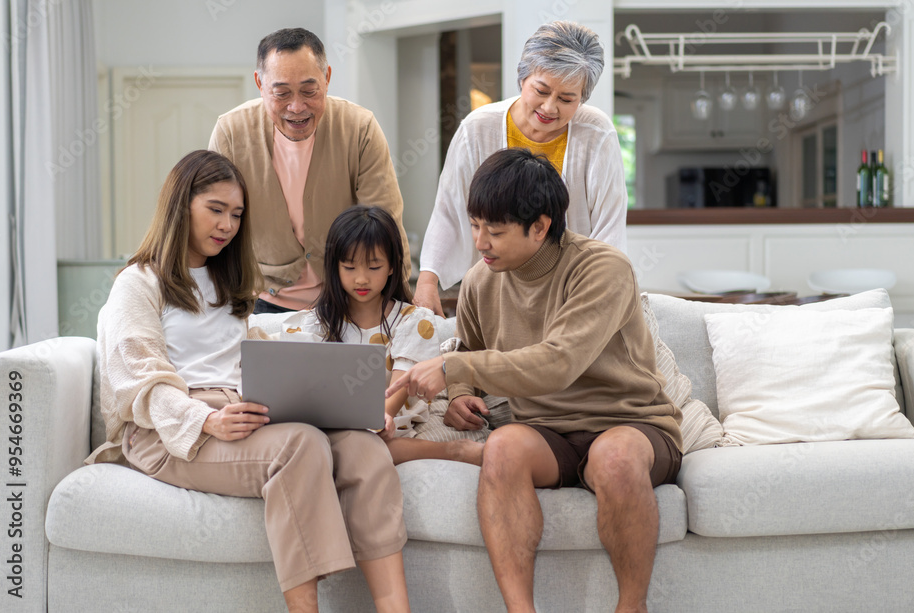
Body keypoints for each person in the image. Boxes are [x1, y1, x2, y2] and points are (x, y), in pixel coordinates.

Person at [87, 150, 411, 613]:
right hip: (172, 433)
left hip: (241, 413)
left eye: (236, 214)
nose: (227, 225)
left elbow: (255, 368)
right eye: (215, 209)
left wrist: (353, 412)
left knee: (364, 449)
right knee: (299, 446)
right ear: (181, 205)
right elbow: (139, 382)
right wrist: (205, 420)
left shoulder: (230, 282)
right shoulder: (139, 282)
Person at [389, 148, 683, 613]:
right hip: (548, 432)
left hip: (630, 424)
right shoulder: (480, 282)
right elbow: (468, 348)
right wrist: (463, 394)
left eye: (496, 231)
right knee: (503, 446)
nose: (481, 242)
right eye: (475, 225)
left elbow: (558, 362)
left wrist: (454, 373)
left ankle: (632, 607)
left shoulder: (602, 269)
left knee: (614, 457)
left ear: (541, 226)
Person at [414, 20, 628, 317]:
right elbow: (450, 210)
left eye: (567, 99)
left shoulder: (596, 133)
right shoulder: (478, 128)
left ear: (582, 98)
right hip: (498, 288)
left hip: (573, 287)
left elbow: (609, 225)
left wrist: (599, 295)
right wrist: (428, 280)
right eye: (541, 90)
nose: (550, 107)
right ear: (522, 79)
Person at [209, 27, 411, 315]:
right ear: (260, 83)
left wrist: (402, 308)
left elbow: (385, 224)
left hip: (345, 299)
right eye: (281, 93)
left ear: (327, 78)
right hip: (259, 300)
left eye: (309, 90)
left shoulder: (359, 128)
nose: (296, 107)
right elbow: (211, 222)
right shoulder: (231, 132)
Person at [277, 205, 484, 466]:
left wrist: (379, 417)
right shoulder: (319, 321)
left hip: (388, 419)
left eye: (374, 267)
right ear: (335, 268)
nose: (361, 279)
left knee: (359, 447)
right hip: (334, 420)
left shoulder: (413, 320)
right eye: (349, 267)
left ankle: (452, 450)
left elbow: (403, 384)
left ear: (391, 267)